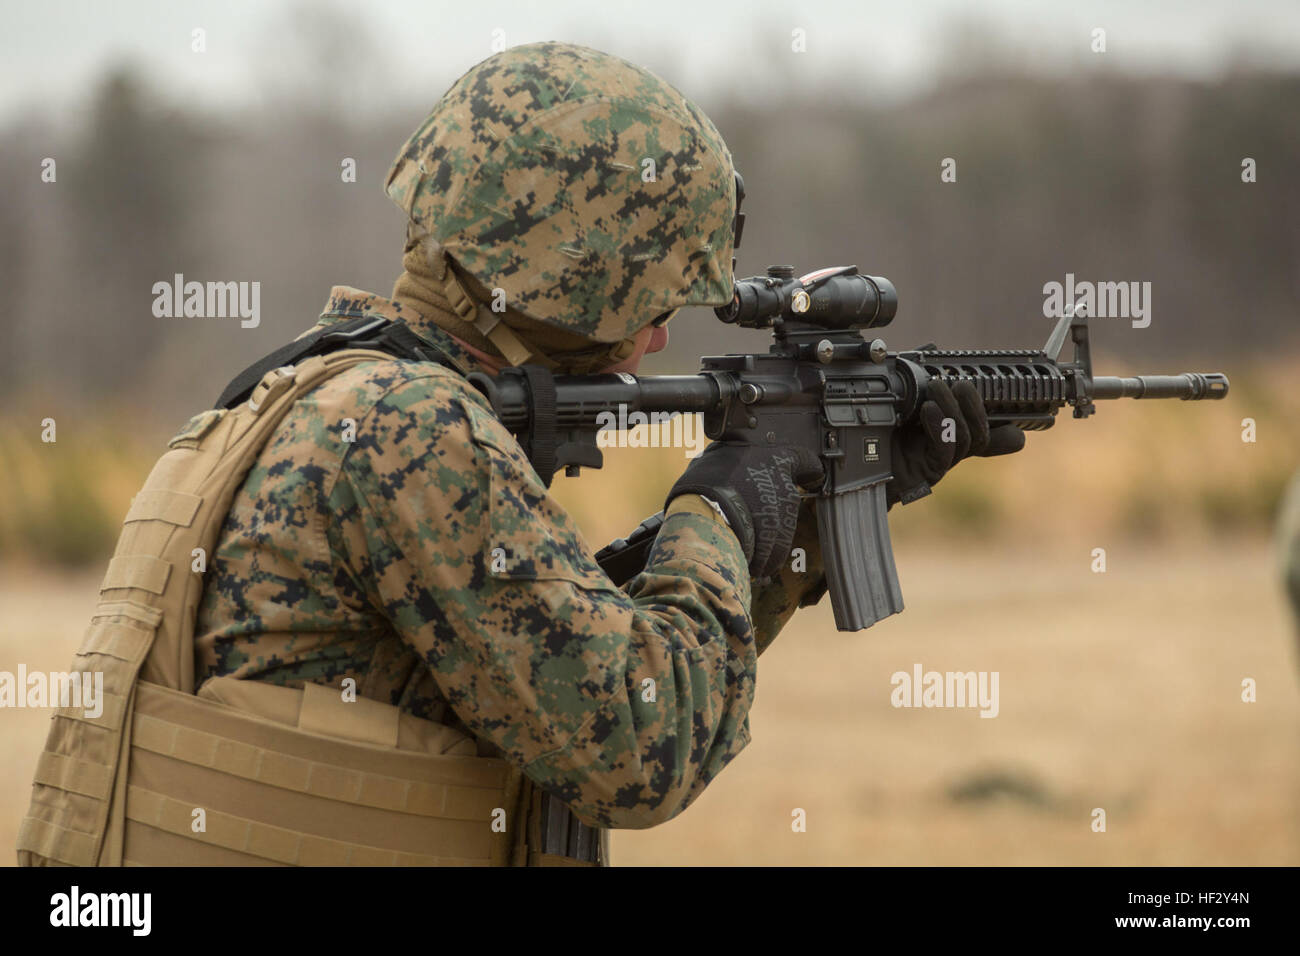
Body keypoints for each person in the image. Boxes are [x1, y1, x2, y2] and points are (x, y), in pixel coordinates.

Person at [19, 41, 1022, 868]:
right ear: (571, 267)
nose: (660, 338)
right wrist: (717, 514)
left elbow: (552, 656)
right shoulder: (410, 432)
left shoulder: (300, 394)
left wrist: (801, 520)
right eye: (653, 297)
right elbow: (636, 741)